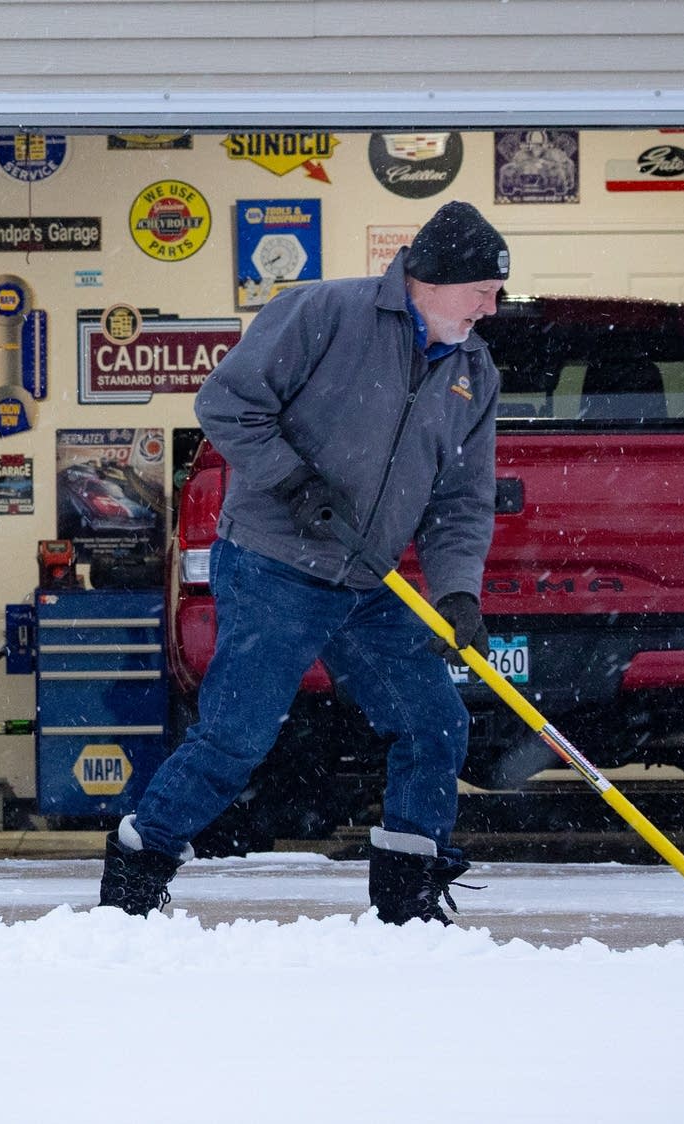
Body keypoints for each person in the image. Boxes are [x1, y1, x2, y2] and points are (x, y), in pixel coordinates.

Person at [98, 200, 509, 924]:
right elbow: (225, 404)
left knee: (433, 725)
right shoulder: (324, 314)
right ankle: (137, 870)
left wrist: (457, 593)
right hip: (275, 563)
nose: (491, 306)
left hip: (367, 578)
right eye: (482, 289)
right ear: (432, 279)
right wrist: (294, 483)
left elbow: (461, 501)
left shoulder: (472, 368)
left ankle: (408, 898)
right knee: (237, 737)